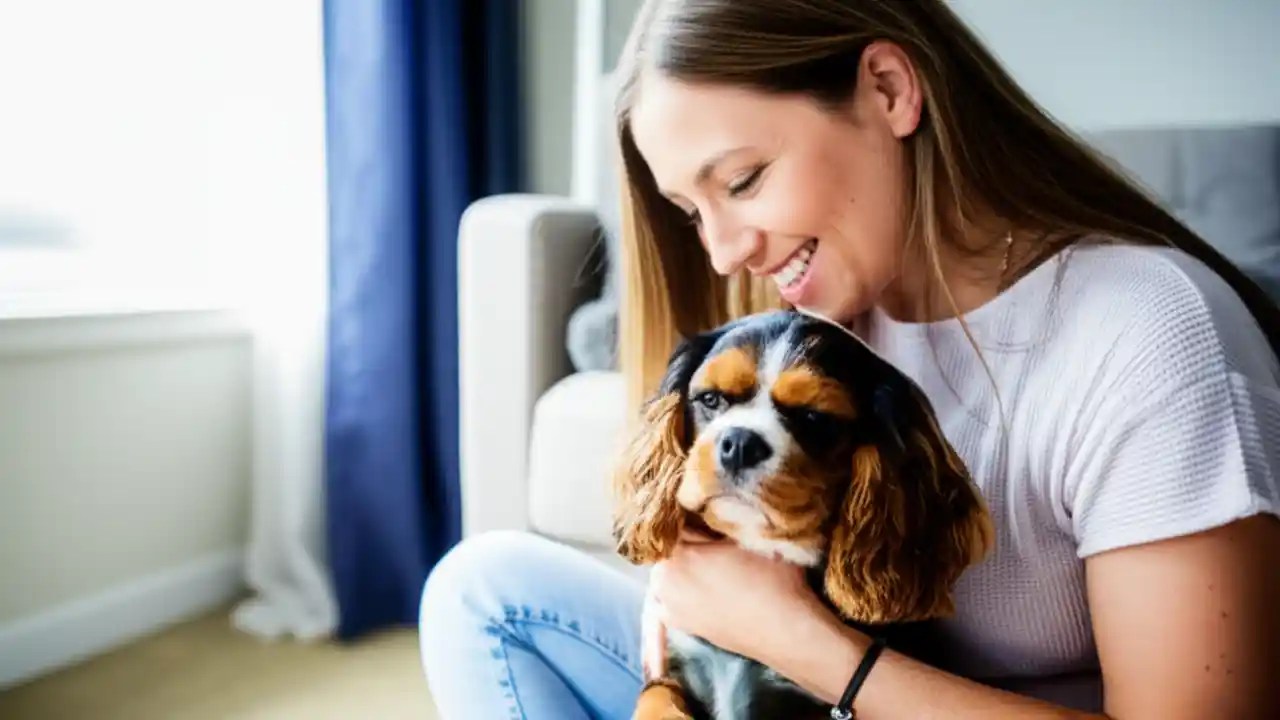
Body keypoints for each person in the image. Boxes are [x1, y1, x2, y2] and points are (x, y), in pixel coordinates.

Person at [419, 1, 1280, 717]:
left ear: (889, 89)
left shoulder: (1150, 332)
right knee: (484, 593)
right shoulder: (822, 319)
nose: (722, 253)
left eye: (744, 179)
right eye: (690, 212)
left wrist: (806, 645)